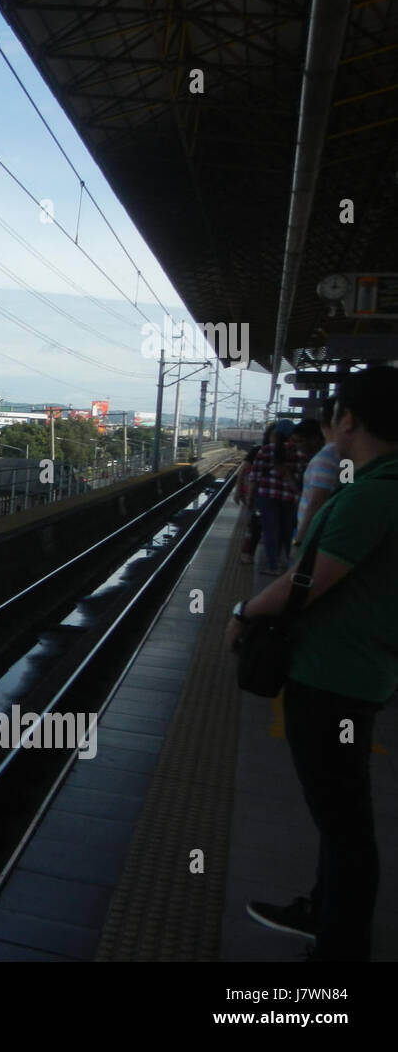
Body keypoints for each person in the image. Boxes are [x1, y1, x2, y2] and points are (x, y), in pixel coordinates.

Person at [227, 367, 398, 961]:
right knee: (341, 816)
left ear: (349, 418)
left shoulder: (376, 492)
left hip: (332, 678)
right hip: (355, 670)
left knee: (344, 821)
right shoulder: (382, 484)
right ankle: (324, 912)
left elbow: (311, 579)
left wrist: (244, 610)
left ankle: (339, 953)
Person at [249, 418, 305, 574]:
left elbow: (255, 477)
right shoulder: (298, 452)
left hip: (267, 497)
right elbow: (301, 476)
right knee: (286, 530)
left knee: (270, 530)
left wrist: (250, 499)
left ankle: (272, 565)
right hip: (290, 498)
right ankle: (285, 561)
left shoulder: (265, 450)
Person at [292, 402, 338, 550]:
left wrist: (299, 541)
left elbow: (316, 502)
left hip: (314, 537)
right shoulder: (346, 457)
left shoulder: (325, 458)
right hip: (330, 532)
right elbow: (346, 487)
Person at [234, 422, 274, 564]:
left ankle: (252, 554)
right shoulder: (259, 451)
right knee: (254, 526)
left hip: (264, 496)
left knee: (256, 526)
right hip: (257, 495)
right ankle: (249, 554)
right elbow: (244, 471)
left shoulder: (286, 453)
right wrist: (239, 491)